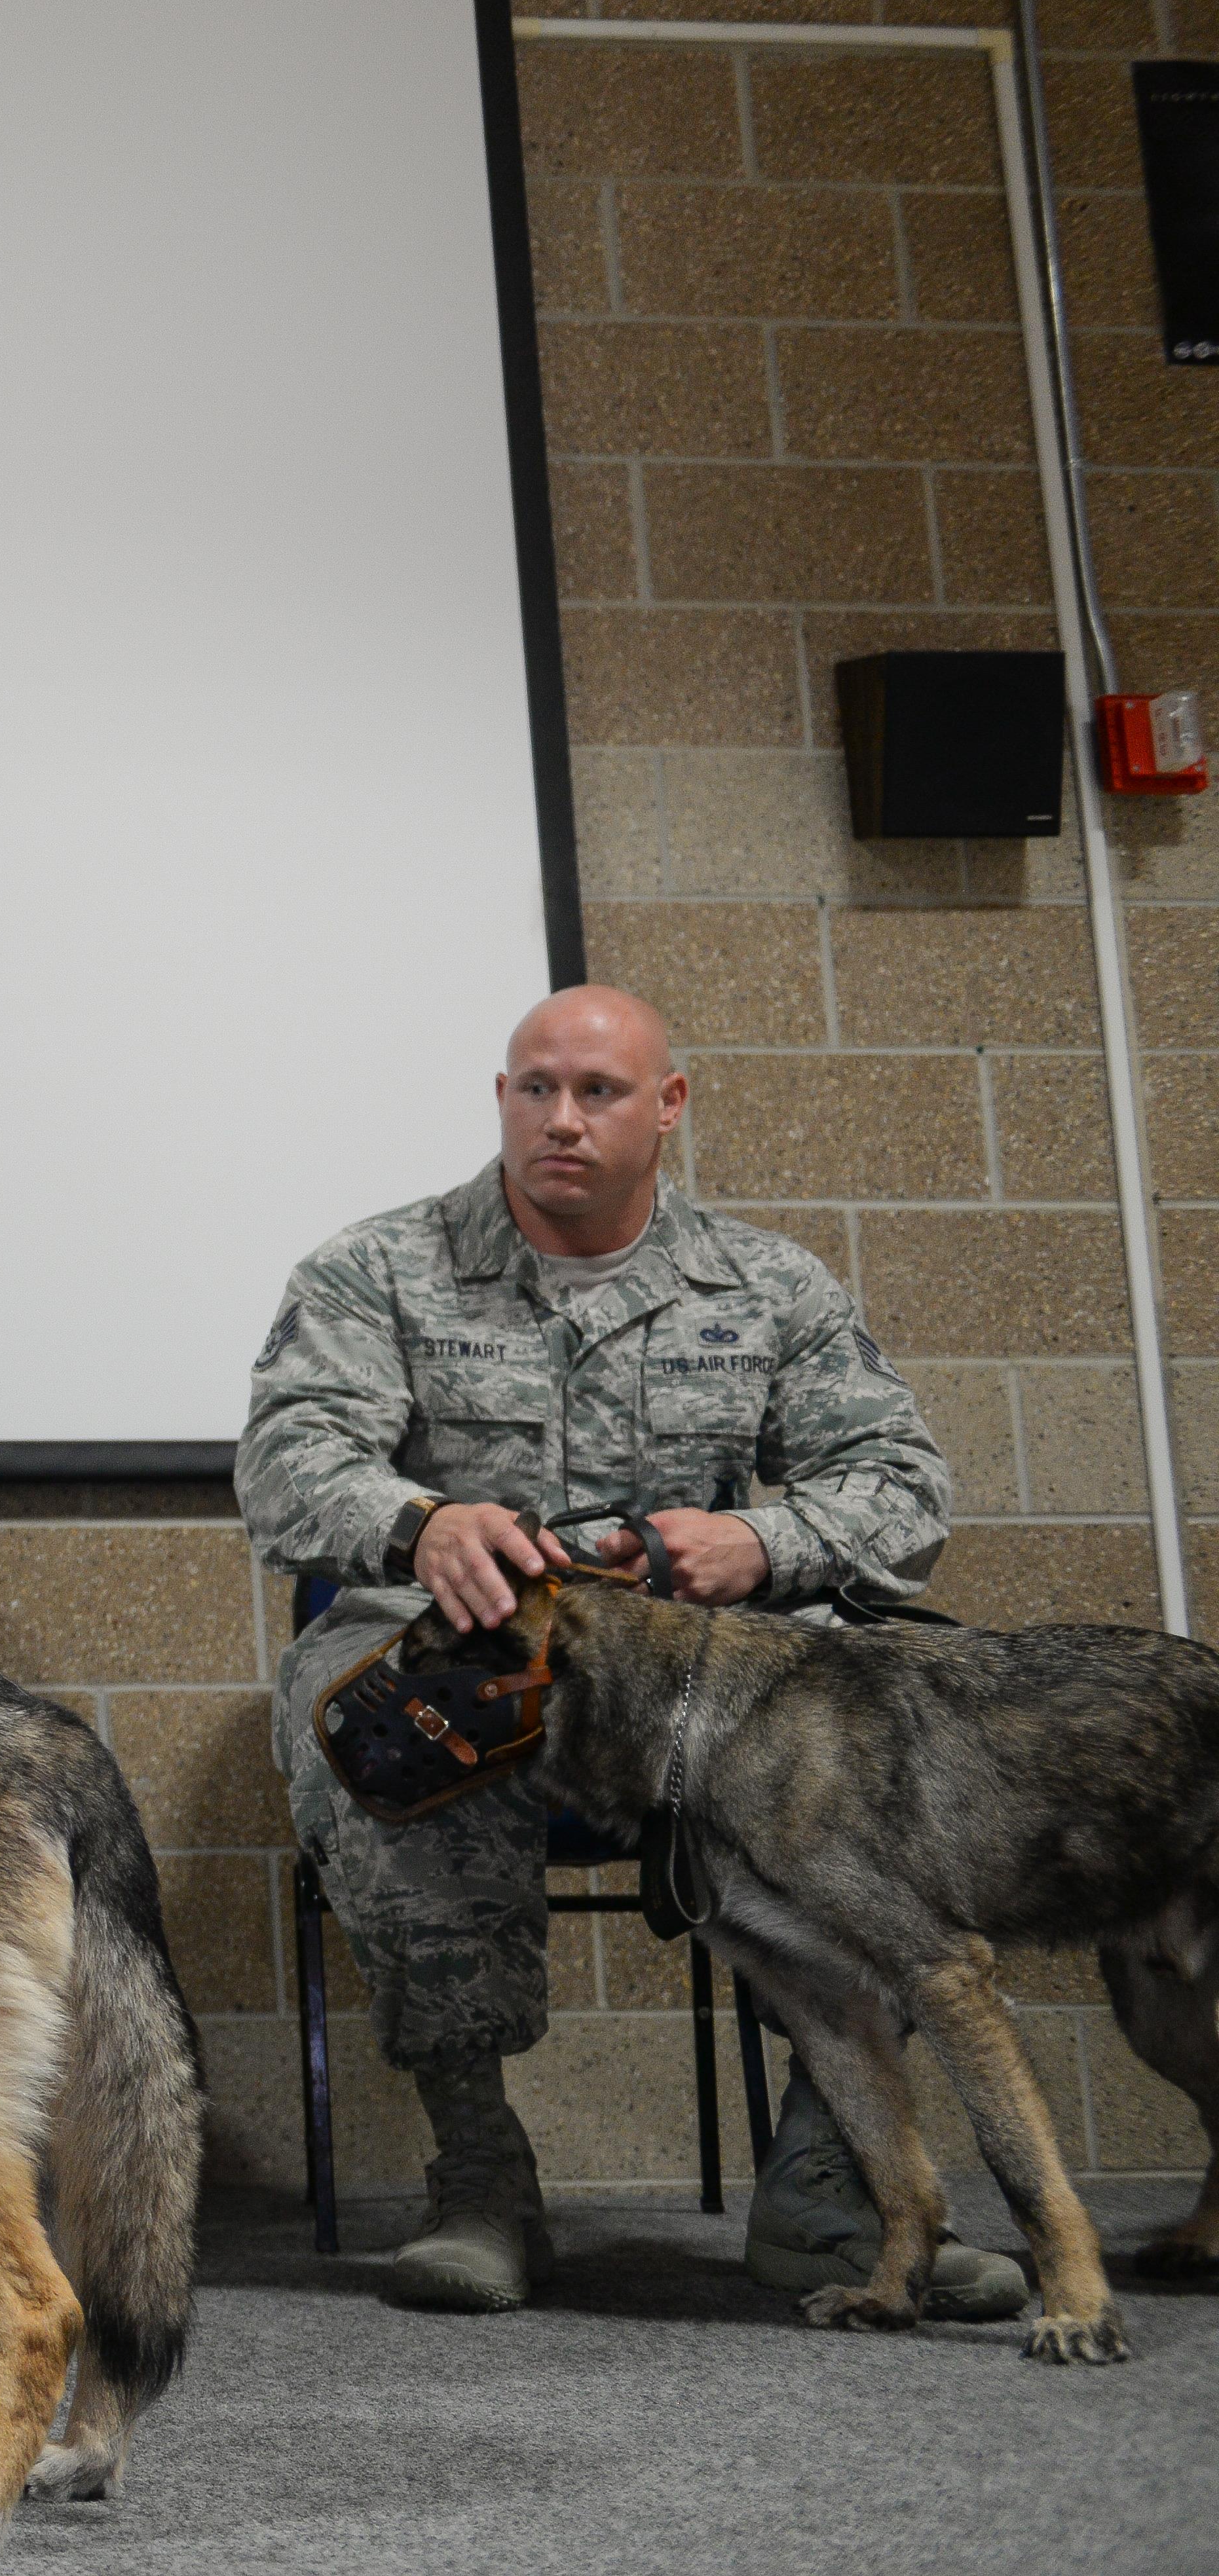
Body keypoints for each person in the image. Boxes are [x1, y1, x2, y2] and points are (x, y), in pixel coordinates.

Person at [238, 984, 1024, 2321]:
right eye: (530, 1086)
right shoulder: (376, 1269)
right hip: (460, 1640)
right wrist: (420, 1522)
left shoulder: (765, 1284)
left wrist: (759, 1544)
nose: (558, 1117)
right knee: (388, 1733)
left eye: (596, 1091)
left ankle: (829, 2190)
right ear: (499, 1099)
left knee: (875, 1756)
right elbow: (286, 1464)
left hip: (699, 1668)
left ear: (666, 1105)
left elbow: (899, 1482)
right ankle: (478, 2175)